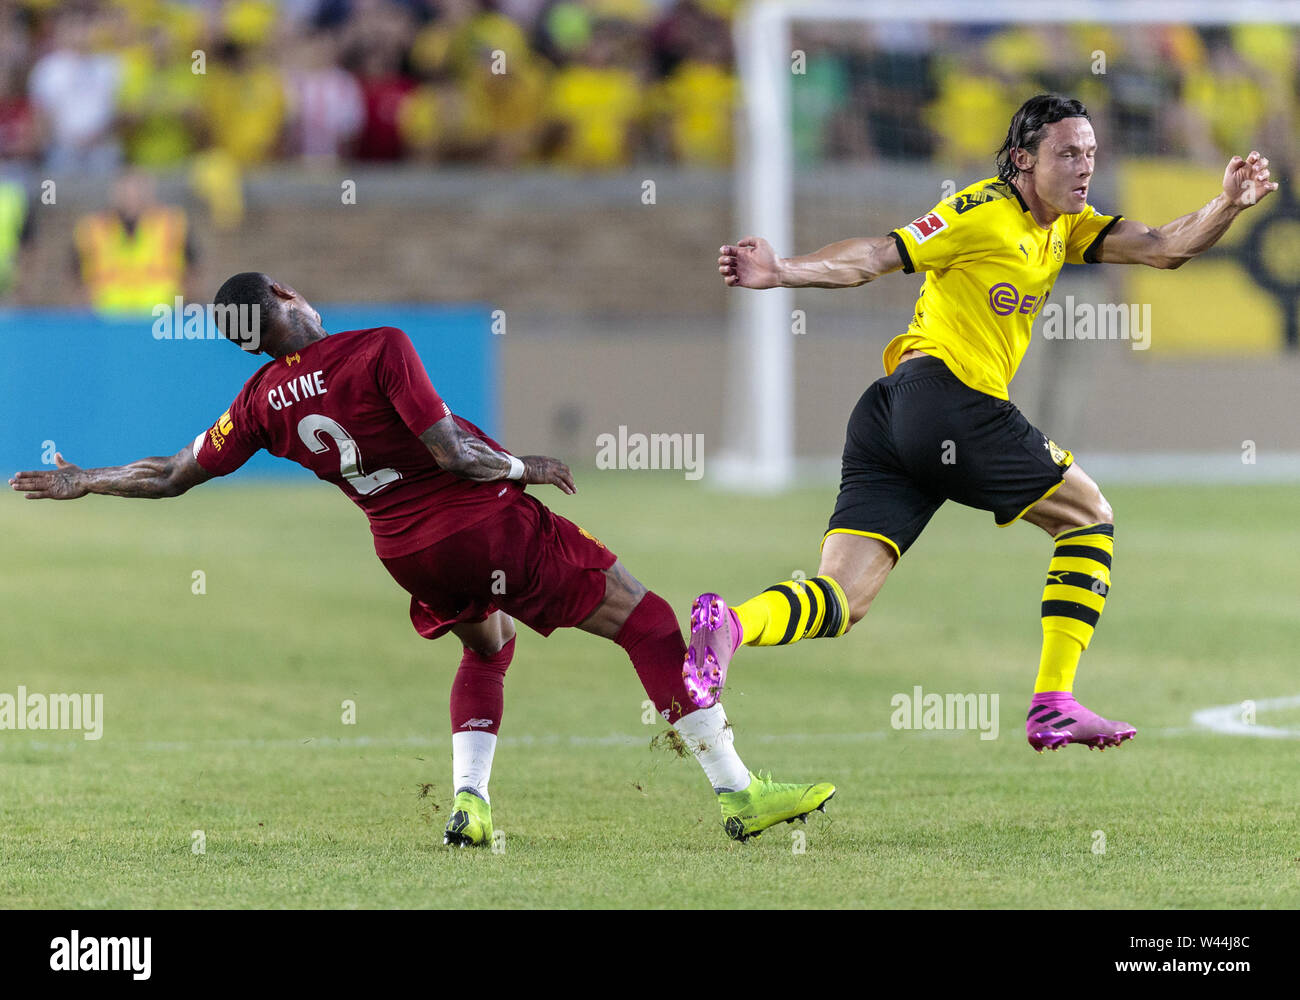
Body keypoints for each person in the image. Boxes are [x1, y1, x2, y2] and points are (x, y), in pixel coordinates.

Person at [9, 272, 834, 845]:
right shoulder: (378, 348)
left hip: (407, 553)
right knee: (649, 622)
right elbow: (449, 452)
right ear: (287, 299)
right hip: (484, 523)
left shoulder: (257, 401)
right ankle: (740, 790)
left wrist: (86, 479)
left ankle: (471, 805)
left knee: (491, 644)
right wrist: (528, 467)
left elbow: (174, 475)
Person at [684, 94, 1278, 753]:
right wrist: (781, 272)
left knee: (842, 600)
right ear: (1023, 160)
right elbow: (879, 255)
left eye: (1090, 153)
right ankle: (1054, 702)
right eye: (1067, 154)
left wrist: (1227, 203)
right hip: (945, 398)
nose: (1084, 167)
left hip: (891, 417)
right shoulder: (982, 211)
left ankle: (730, 624)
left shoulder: (1066, 226)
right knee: (1088, 516)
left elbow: (1165, 248)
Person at [72, 171, 197, 315]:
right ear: (114, 194)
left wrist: (188, 300)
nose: (132, 196)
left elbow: (192, 267)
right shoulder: (92, 227)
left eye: (138, 190)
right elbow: (76, 272)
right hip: (108, 309)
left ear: (150, 192)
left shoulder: (172, 223)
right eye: (126, 191)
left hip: (161, 307)